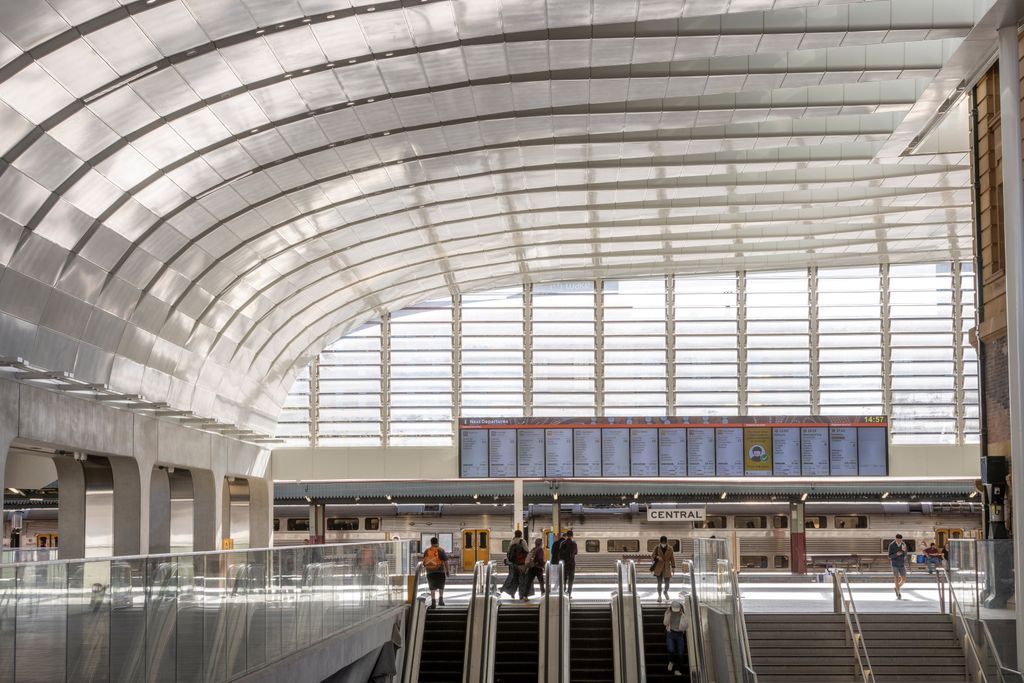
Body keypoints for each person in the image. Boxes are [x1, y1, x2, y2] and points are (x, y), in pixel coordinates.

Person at [501, 529, 530, 599]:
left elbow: (508, 552)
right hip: (520, 563)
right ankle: (521, 595)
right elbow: (527, 551)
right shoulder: (522, 541)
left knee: (514, 579)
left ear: (515, 534)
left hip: (512, 563)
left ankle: (512, 593)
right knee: (521, 579)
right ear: (521, 534)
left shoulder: (512, 541)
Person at [664, 599, 688, 677]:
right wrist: (668, 614)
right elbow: (665, 623)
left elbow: (686, 626)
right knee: (671, 649)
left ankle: (677, 669)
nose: (675, 611)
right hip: (670, 633)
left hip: (679, 634)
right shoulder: (668, 612)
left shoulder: (683, 614)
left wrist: (683, 615)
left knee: (681, 653)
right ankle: (671, 661)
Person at [423, 537, 449, 608]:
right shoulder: (441, 550)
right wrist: (447, 571)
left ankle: (433, 602)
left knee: (432, 587)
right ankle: (441, 600)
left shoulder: (427, 551)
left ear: (431, 543)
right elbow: (445, 561)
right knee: (441, 586)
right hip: (440, 571)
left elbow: (424, 562)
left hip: (430, 572)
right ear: (437, 542)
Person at [651, 536, 676, 601]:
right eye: (662, 542)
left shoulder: (670, 548)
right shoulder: (657, 548)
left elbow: (672, 558)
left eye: (664, 542)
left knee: (667, 584)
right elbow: (652, 556)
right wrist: (657, 557)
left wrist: (673, 567)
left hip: (667, 567)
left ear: (666, 542)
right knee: (659, 583)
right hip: (658, 567)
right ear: (660, 541)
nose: (663, 543)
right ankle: (659, 596)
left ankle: (665, 592)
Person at [888, 534, 908, 599]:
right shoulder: (891, 545)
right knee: (896, 578)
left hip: (902, 564)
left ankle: (896, 588)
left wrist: (904, 554)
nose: (899, 541)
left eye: (900, 540)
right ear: (896, 539)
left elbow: (905, 554)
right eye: (898, 540)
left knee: (904, 579)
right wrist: (896, 554)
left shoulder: (903, 544)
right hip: (894, 564)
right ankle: (898, 593)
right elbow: (889, 556)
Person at [559, 529, 578, 596]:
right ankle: (569, 593)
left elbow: (560, 554)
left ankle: (563, 591)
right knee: (571, 579)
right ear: (572, 536)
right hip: (572, 563)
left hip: (564, 563)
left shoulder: (562, 543)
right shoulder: (574, 544)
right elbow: (576, 553)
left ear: (566, 535)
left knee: (564, 578)